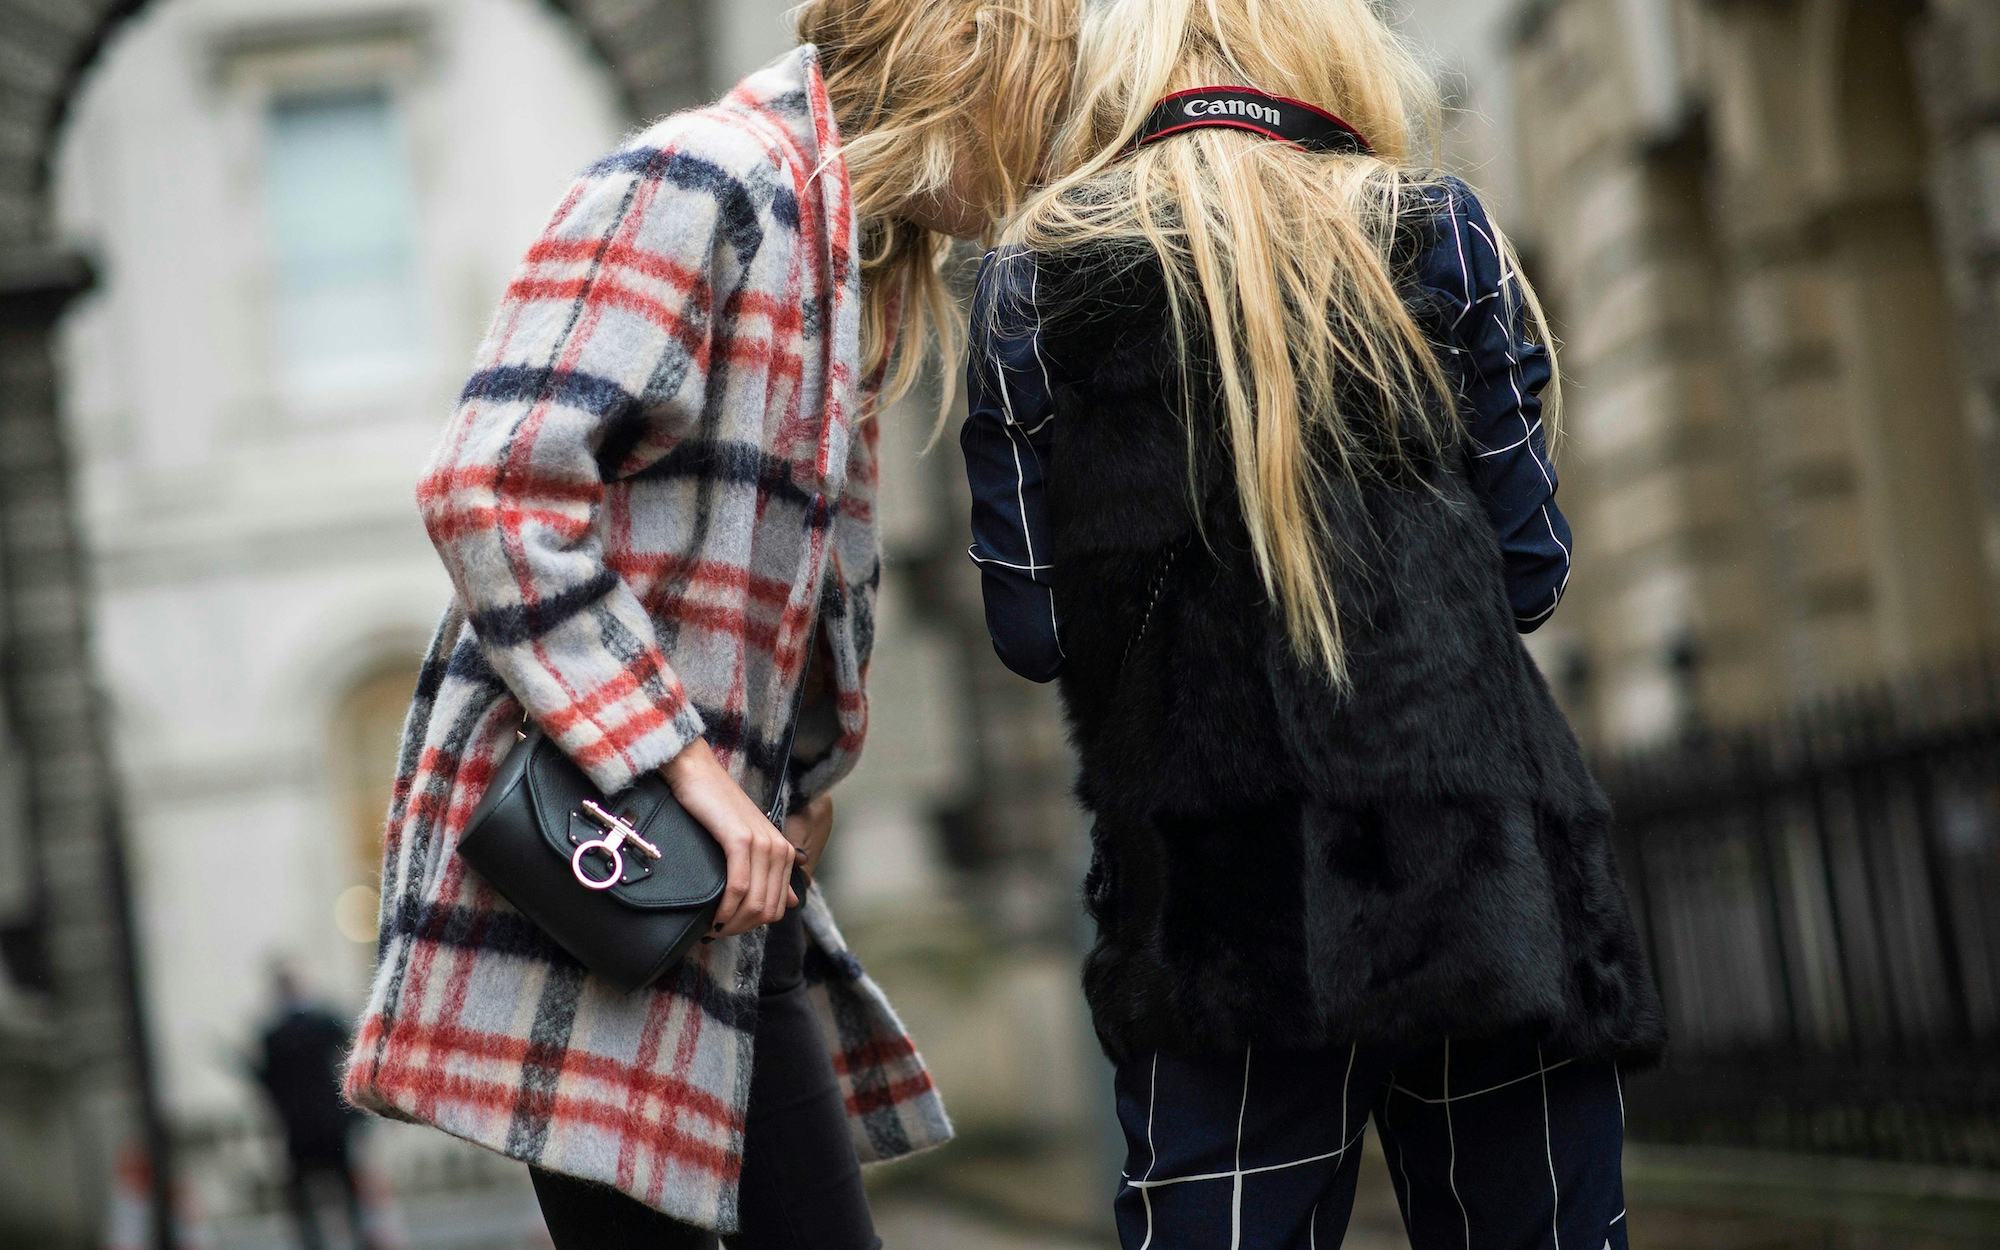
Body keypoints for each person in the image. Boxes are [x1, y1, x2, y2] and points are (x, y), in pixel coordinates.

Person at [341, 3, 1076, 1247]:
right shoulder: (703, 179)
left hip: (717, 880)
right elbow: (489, 486)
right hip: (603, 860)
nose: (1053, 150)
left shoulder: (842, 251)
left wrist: (801, 773)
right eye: (1049, 100)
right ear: (976, 56)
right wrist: (684, 766)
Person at [960, 1, 1666, 1247]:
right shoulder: (1437, 229)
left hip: (1214, 910)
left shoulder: (1031, 280)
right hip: (1478, 875)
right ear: (1334, 54)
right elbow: (1528, 572)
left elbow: (1031, 630)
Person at [253, 965, 376, 1250]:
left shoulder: (274, 1036)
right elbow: (354, 1053)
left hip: (299, 1129)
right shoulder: (323, 1022)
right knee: (347, 1192)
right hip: (331, 1124)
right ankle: (361, 1239)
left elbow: (268, 1086)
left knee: (304, 1201)